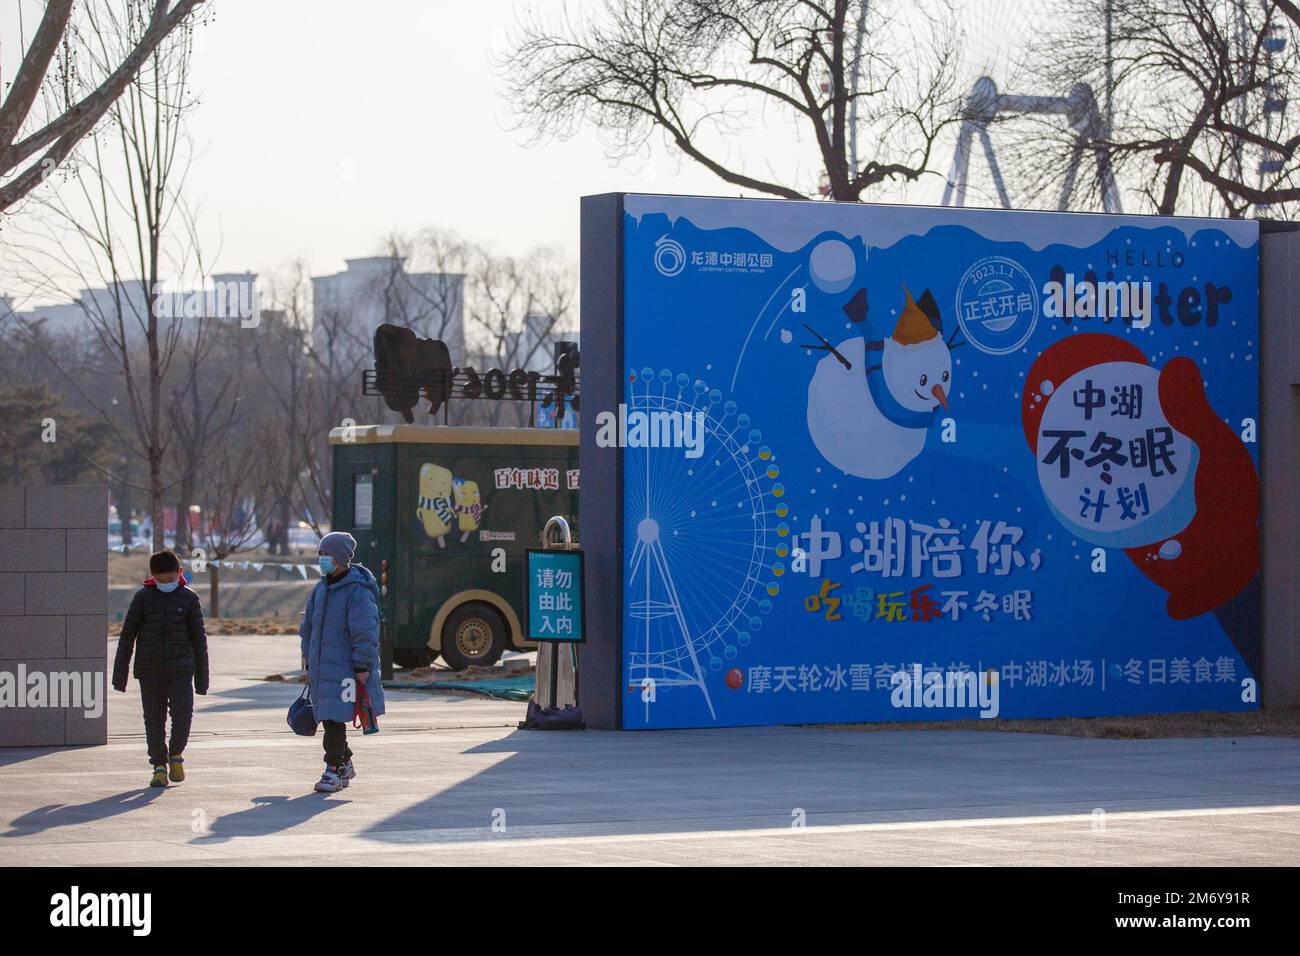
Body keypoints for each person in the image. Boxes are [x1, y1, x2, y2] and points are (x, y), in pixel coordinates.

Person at [112, 549, 210, 788]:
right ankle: (158, 766)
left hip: (181, 669)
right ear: (152, 576)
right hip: (149, 670)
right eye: (160, 580)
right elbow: (127, 637)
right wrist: (120, 676)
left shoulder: (189, 599)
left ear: (179, 573)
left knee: (183, 715)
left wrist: (202, 679)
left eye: (170, 579)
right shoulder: (143, 598)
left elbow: (199, 640)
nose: (166, 584)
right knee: (154, 720)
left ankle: (176, 754)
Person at [298, 531, 385, 793]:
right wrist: (308, 659)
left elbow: (365, 631)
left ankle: (333, 770)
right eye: (321, 554)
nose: (323, 559)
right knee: (328, 718)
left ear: (341, 558)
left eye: (327, 555)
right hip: (322, 668)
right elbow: (308, 627)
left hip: (346, 669)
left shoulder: (357, 591)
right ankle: (344, 762)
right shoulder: (321, 588)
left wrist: (362, 666)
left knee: (333, 718)